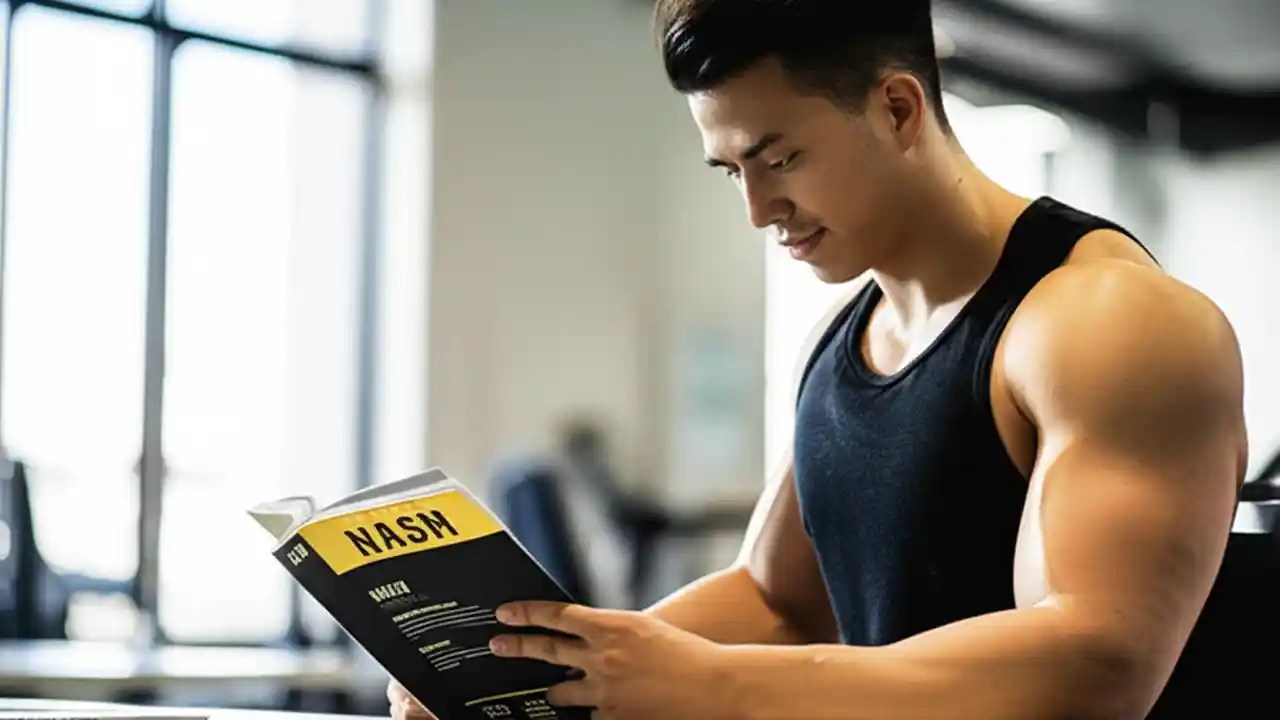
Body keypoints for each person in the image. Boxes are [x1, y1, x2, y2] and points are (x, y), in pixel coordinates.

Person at [390, 1, 1248, 717]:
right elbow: (777, 602)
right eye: (732, 172)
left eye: (781, 159)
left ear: (899, 109)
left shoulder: (1109, 324)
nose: (760, 210)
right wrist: (546, 674)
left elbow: (1093, 662)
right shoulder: (843, 340)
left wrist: (711, 684)